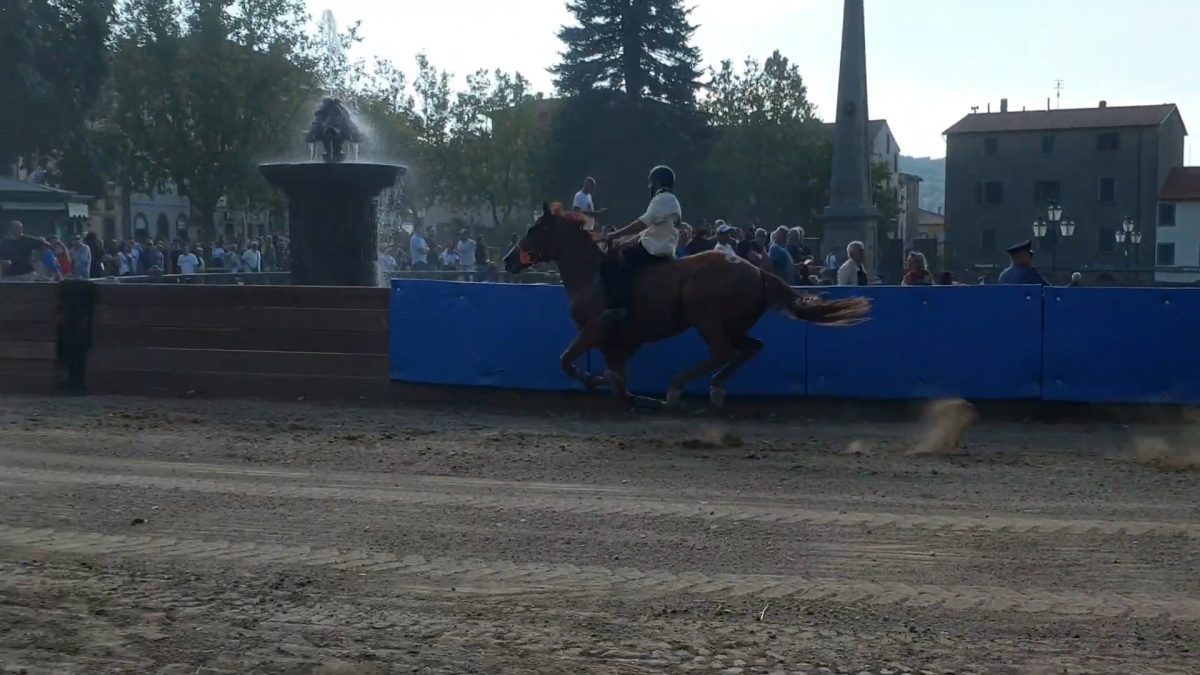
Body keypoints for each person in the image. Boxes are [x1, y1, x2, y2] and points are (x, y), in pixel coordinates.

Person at [594, 165, 682, 321]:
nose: (649, 186)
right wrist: (623, 243)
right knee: (620, 254)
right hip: (657, 247)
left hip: (655, 250)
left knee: (612, 266)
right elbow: (647, 232)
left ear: (657, 182)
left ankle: (620, 308)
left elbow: (642, 223)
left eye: (651, 182)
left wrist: (614, 234)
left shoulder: (663, 199)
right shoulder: (669, 200)